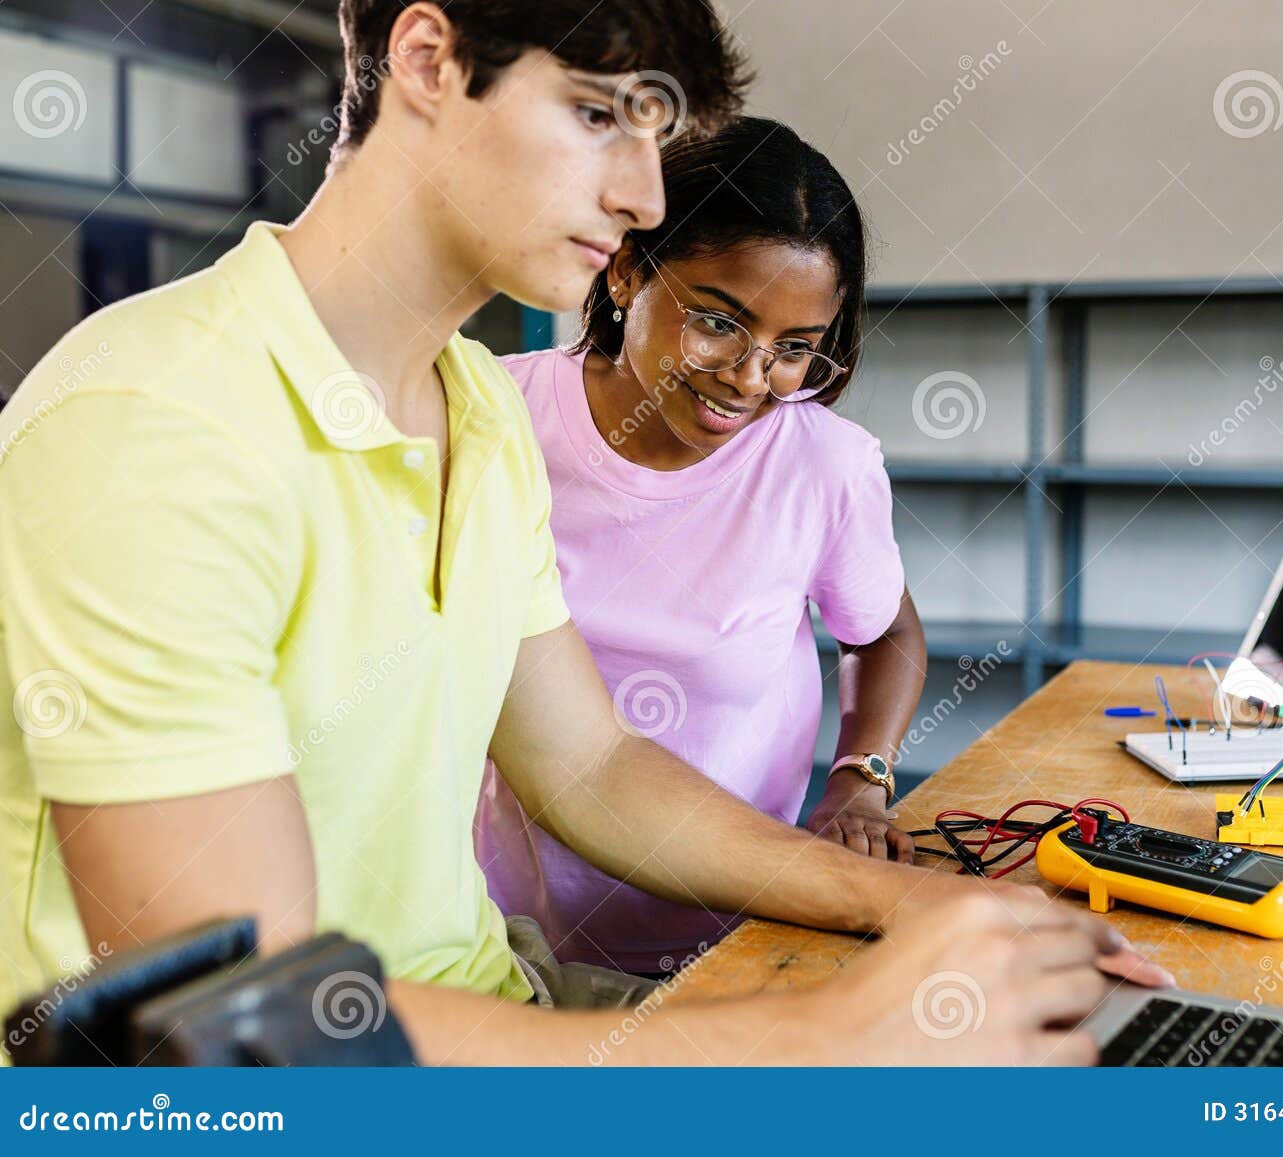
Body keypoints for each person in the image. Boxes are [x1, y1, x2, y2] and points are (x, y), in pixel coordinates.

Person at [0, 0, 1169, 1066]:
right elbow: (243, 1032)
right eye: (601, 116)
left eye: (656, 141)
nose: (645, 199)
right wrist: (827, 1034)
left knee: (1084, 1063)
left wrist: (906, 901)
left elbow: (590, 765)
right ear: (427, 61)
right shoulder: (153, 421)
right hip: (279, 1088)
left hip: (487, 997)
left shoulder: (473, 406)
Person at [477, 116, 929, 977]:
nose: (750, 379)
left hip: (739, 933)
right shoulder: (496, 417)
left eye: (795, 350)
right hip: (510, 934)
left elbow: (887, 633)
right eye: (719, 323)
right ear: (625, 269)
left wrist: (860, 775)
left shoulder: (823, 466)